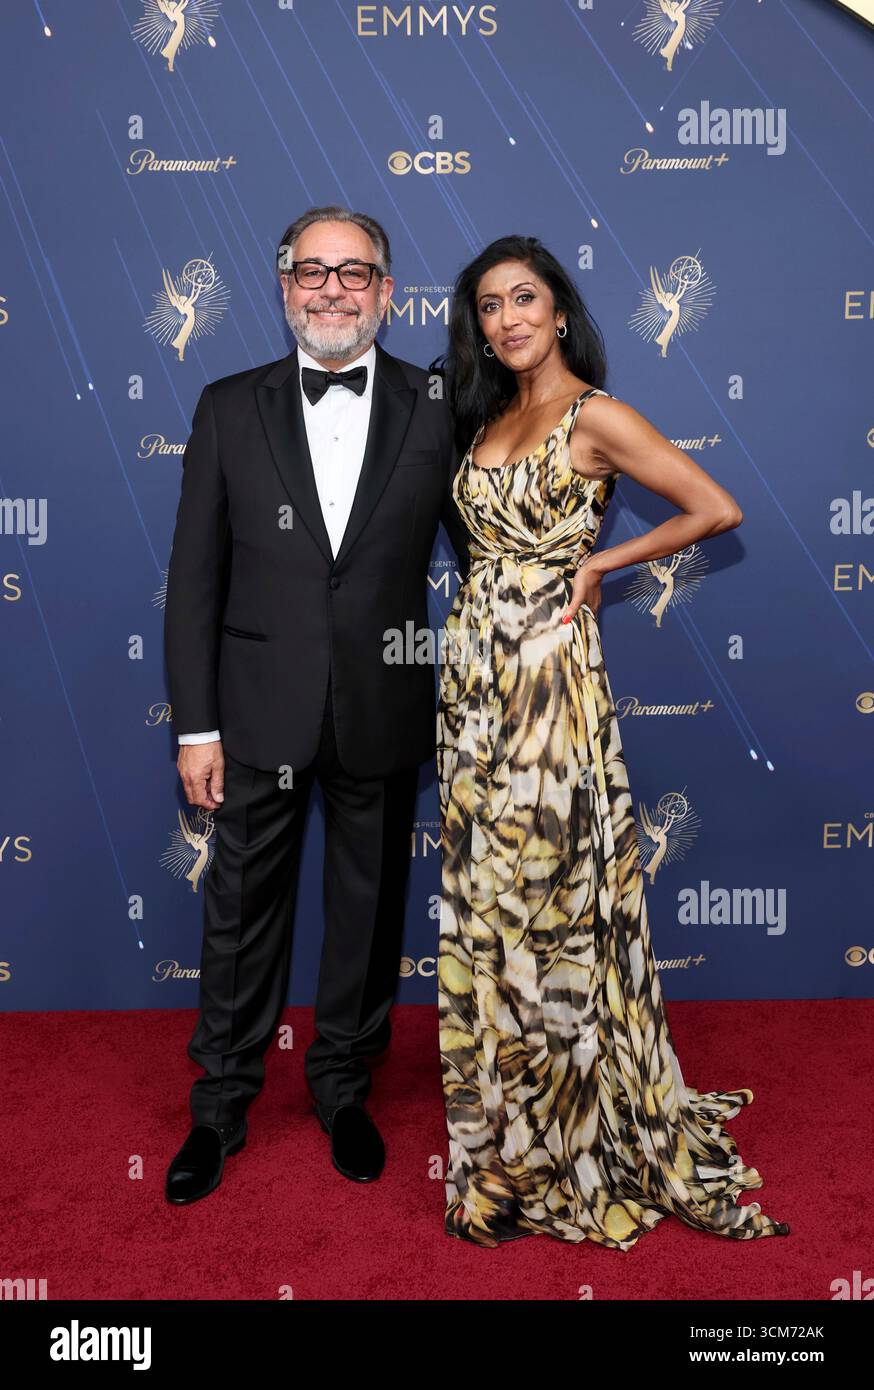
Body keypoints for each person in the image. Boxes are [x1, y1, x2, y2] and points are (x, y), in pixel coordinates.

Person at [435, 234, 790, 1248]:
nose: (507, 319)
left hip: (548, 689)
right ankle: (503, 1151)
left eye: (524, 299)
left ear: (558, 309)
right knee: (488, 919)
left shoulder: (596, 415)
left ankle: (576, 1144)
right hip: (473, 686)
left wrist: (603, 565)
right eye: (489, 306)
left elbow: (714, 508)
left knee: (549, 916)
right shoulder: (494, 415)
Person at [163, 205, 469, 1204]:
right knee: (241, 911)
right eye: (312, 270)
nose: (332, 289)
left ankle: (343, 1089)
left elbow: (487, 549)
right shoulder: (225, 404)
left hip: (383, 701)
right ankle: (220, 1106)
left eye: (355, 272)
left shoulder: (439, 402)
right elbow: (195, 580)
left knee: (367, 909)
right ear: (283, 284)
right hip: (254, 709)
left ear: (387, 290)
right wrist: (195, 725)